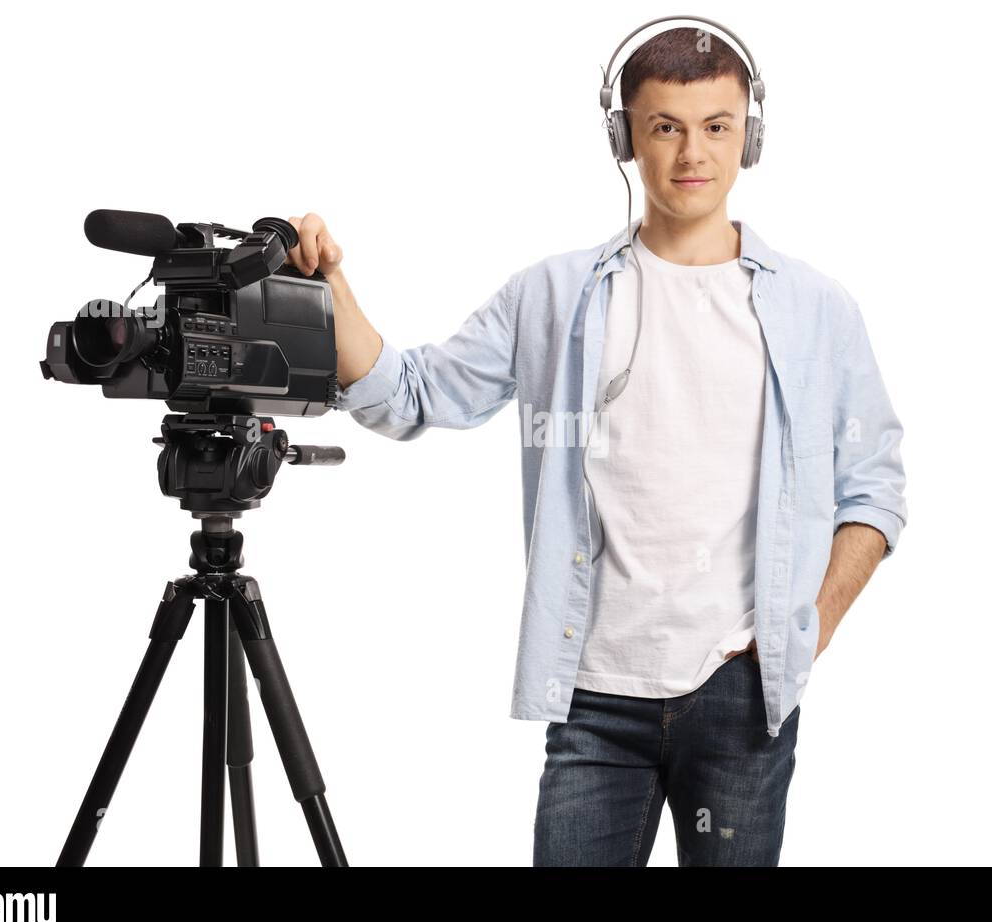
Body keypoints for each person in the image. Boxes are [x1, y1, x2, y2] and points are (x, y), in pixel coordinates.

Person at [285, 21, 907, 866]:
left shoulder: (816, 309)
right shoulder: (553, 296)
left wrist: (808, 628)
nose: (694, 151)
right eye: (665, 126)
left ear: (749, 138)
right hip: (592, 694)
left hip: (743, 693)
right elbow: (412, 395)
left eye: (717, 126)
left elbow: (874, 488)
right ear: (625, 138)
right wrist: (331, 289)